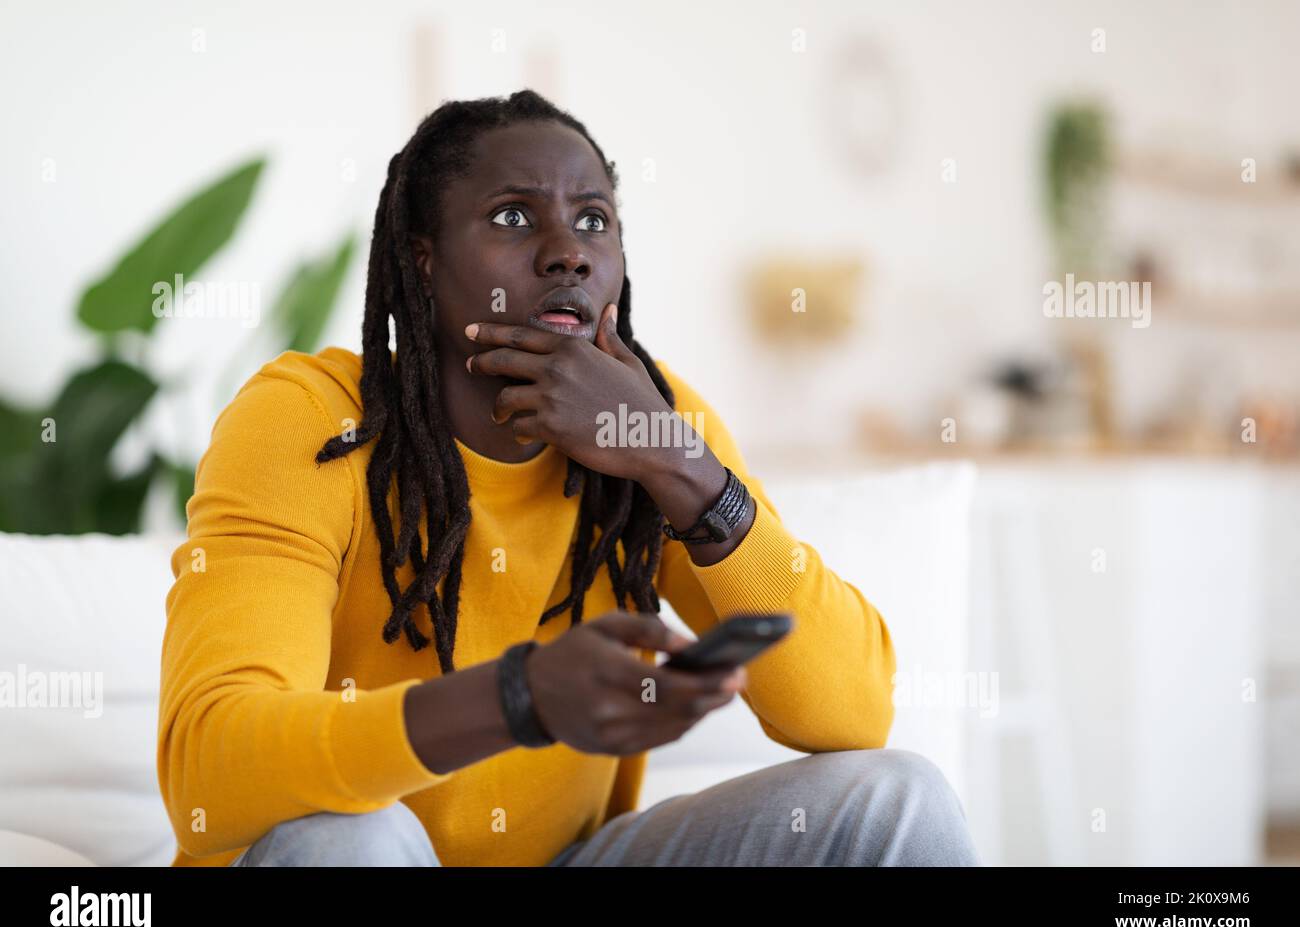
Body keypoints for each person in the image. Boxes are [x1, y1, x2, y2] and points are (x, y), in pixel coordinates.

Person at [157, 89, 979, 867]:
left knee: (899, 799)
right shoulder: (310, 421)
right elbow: (210, 763)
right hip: (347, 856)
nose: (568, 254)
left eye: (594, 221)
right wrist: (518, 698)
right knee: (355, 837)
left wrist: (676, 462)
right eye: (514, 217)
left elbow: (854, 714)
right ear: (423, 259)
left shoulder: (658, 422)